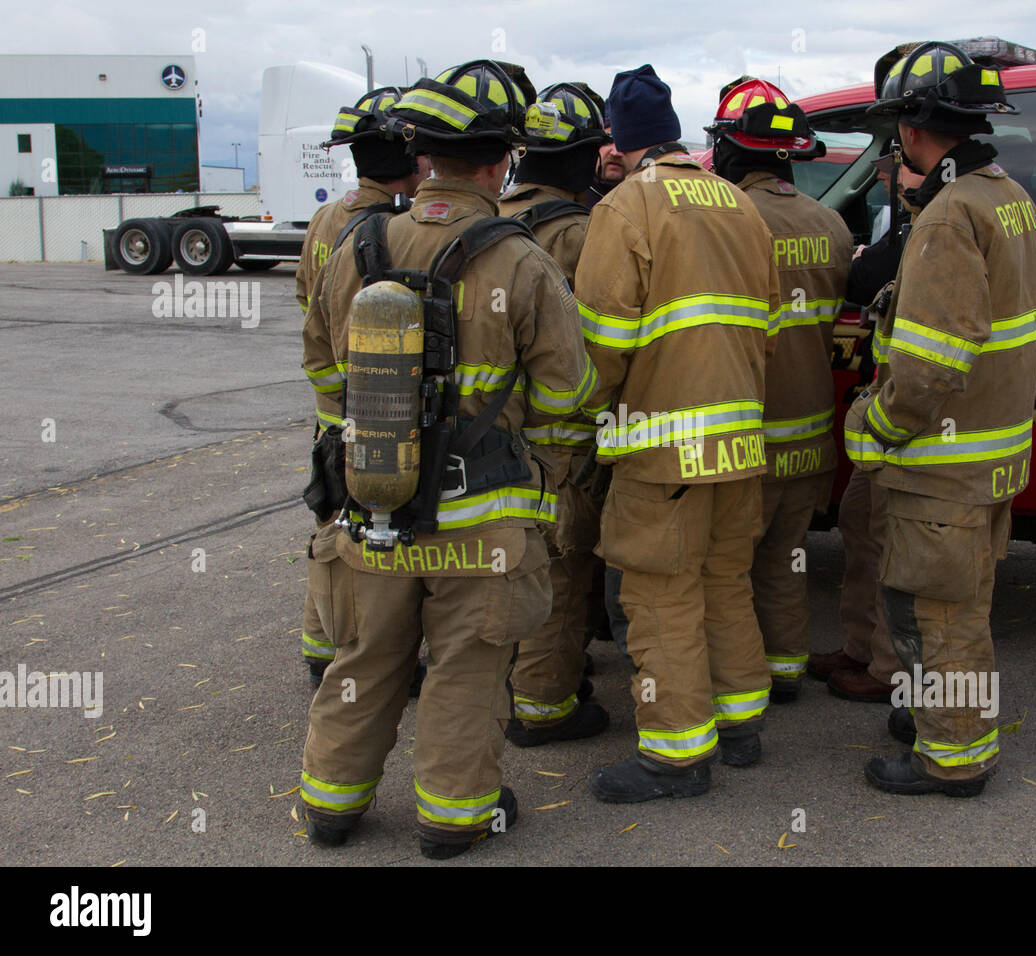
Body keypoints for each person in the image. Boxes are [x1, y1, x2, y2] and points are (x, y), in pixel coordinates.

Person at [298, 59, 597, 857]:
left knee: (365, 660)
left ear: (421, 154)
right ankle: (453, 819)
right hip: (483, 520)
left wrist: (369, 437)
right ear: (501, 161)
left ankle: (330, 806)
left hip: (371, 503)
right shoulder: (521, 257)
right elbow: (570, 392)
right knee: (466, 670)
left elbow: (324, 370)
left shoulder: (355, 243)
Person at [845, 41, 1036, 796]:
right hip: (993, 456)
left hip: (944, 465)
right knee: (961, 601)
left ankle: (954, 758)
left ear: (912, 128)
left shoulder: (948, 216)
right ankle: (933, 718)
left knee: (941, 614)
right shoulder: (1012, 199)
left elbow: (931, 363)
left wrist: (877, 424)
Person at [575, 64, 783, 802]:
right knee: (724, 580)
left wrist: (577, 413)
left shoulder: (626, 208)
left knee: (660, 593)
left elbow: (601, 342)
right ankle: (738, 725)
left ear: (617, 139)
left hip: (662, 446)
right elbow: (767, 322)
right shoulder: (736, 203)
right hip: (740, 442)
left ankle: (675, 755)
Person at [706, 76, 852, 703]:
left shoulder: (730, 224)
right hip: (812, 432)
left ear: (734, 152)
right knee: (788, 559)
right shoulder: (832, 225)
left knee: (728, 566)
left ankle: (739, 689)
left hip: (752, 436)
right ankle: (787, 668)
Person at [297, 88, 430, 687]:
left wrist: (332, 398)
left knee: (331, 523)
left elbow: (309, 306)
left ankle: (321, 644)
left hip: (334, 406)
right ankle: (360, 651)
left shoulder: (328, 216)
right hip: (380, 407)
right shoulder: (389, 225)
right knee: (369, 535)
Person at [497, 82, 612, 746]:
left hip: (486, 441)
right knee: (562, 575)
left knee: (501, 564)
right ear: (586, 157)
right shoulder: (582, 234)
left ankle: (512, 676)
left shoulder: (486, 223)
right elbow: (599, 346)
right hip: (561, 445)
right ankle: (545, 705)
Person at [810, 139, 926, 704]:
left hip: (905, 420)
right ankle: (861, 646)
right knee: (860, 518)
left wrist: (882, 417)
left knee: (887, 536)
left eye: (890, 164)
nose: (883, 176)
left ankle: (886, 668)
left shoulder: (935, 225)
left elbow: (864, 280)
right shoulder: (916, 222)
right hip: (890, 410)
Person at [584, 128, 625, 208]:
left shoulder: (646, 201)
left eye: (625, 143)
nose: (615, 153)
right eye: (607, 141)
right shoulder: (570, 196)